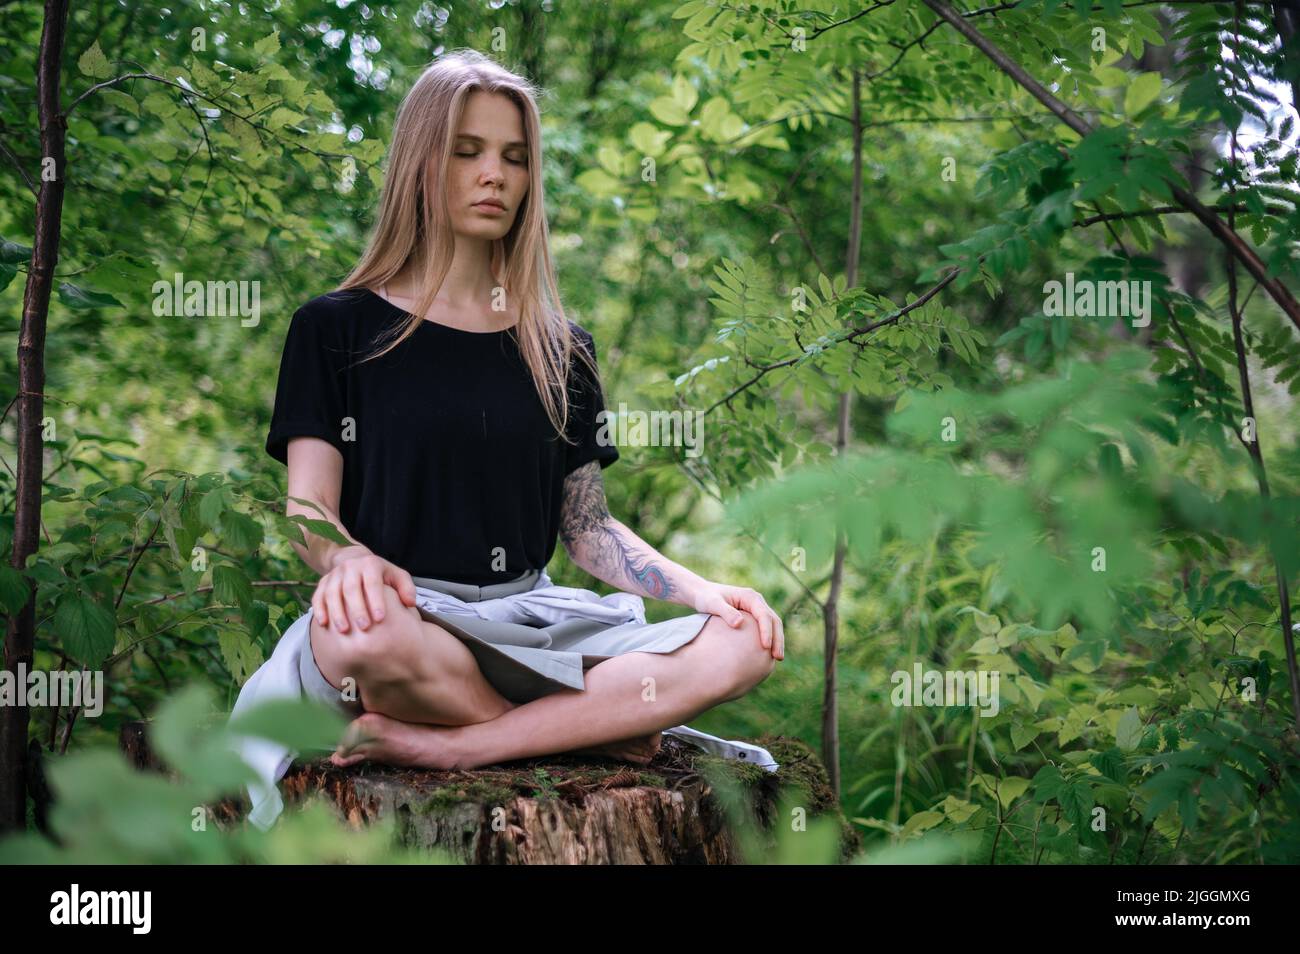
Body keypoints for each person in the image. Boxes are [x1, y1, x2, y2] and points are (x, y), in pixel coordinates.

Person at [264, 49, 785, 775]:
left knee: (748, 640)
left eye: (514, 157)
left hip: (539, 629)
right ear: (421, 161)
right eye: (467, 151)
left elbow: (588, 528)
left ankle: (459, 745)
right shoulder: (335, 328)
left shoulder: (560, 348)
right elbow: (307, 505)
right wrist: (346, 558)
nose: (494, 175)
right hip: (414, 635)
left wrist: (701, 590)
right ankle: (585, 731)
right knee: (355, 638)